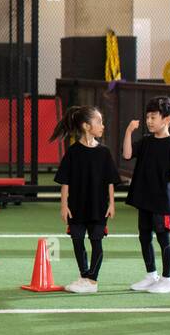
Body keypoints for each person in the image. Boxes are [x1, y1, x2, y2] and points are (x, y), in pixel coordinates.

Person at [50, 106, 120, 294]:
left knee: (96, 241)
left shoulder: (104, 152)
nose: (102, 126)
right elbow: (65, 181)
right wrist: (64, 205)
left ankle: (92, 281)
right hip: (76, 207)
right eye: (99, 122)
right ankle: (84, 276)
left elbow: (110, 181)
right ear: (86, 126)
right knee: (77, 239)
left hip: (99, 207)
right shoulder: (73, 152)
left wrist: (112, 204)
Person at [123, 96, 170, 294]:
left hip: (162, 202)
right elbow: (126, 154)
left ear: (167, 120)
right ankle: (151, 275)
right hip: (144, 199)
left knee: (163, 238)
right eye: (148, 117)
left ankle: (168, 279)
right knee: (144, 237)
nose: (149, 121)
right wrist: (128, 131)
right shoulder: (147, 142)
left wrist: (158, 177)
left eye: (154, 117)